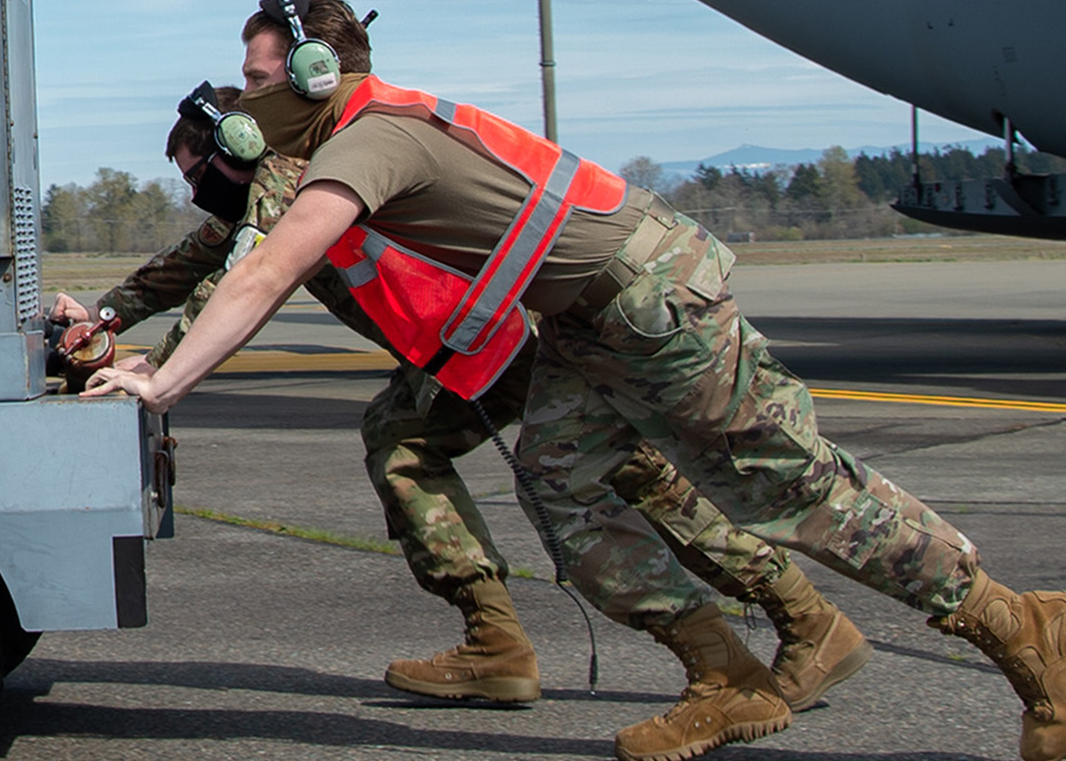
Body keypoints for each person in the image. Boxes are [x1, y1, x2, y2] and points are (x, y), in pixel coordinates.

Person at [90, 0, 1066, 761]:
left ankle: (1016, 625)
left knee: (793, 495)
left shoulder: (368, 141)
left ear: (314, 72)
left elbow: (266, 267)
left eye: (254, 73)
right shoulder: (345, 138)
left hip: (652, 299)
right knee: (562, 483)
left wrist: (164, 380)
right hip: (585, 317)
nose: (242, 96)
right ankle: (726, 674)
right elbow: (234, 253)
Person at [53, 80, 861, 726]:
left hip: (496, 341)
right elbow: (186, 263)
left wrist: (155, 365)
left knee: (636, 476)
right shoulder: (259, 196)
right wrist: (105, 317)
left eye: (196, 173)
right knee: (408, 441)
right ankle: (500, 644)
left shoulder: (286, 180)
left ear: (239, 147)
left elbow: (245, 274)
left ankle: (802, 618)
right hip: (460, 352)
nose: (195, 192)